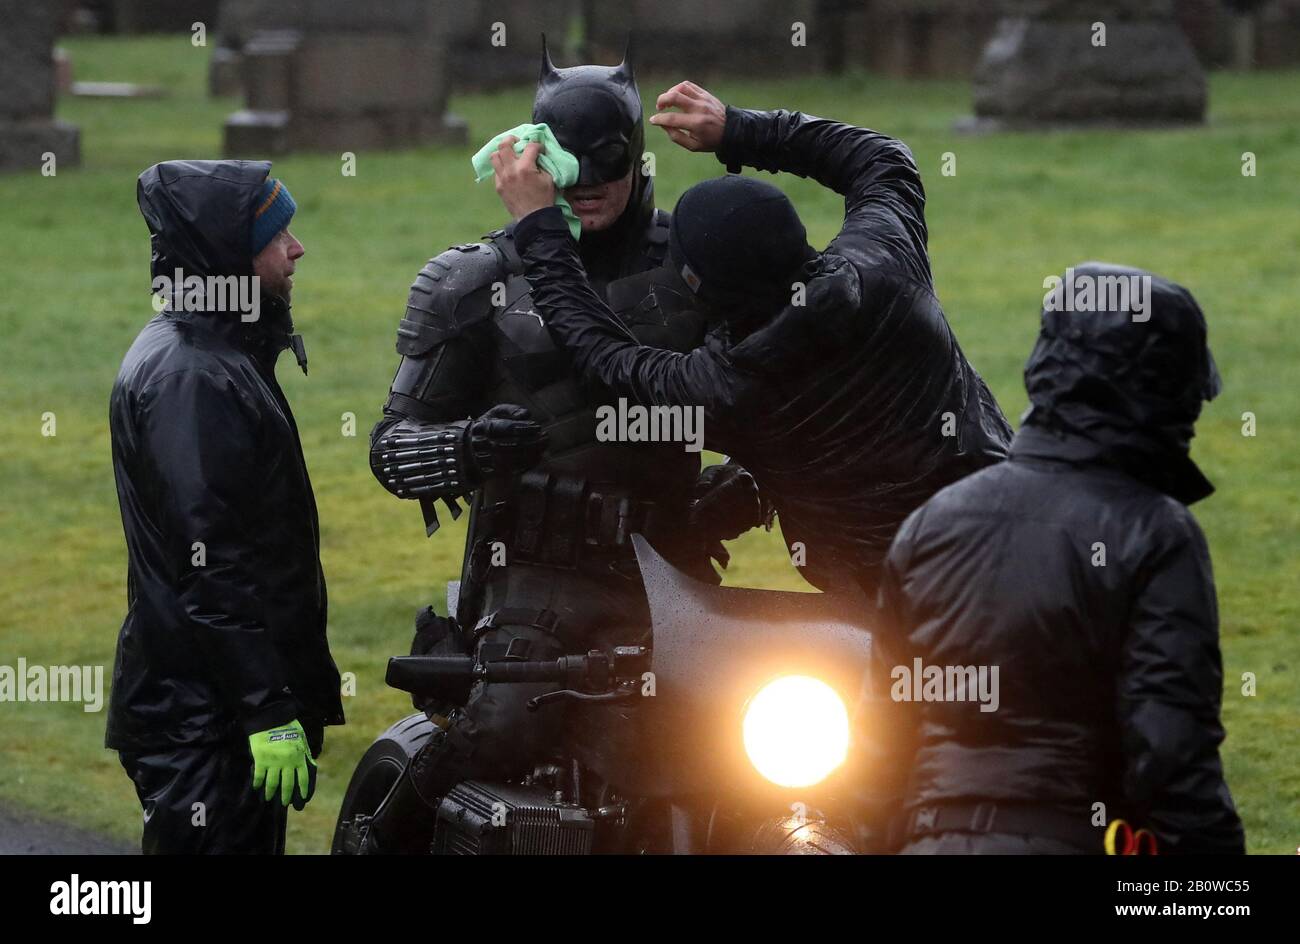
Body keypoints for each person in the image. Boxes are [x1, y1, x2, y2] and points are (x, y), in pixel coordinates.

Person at [354, 44, 761, 854]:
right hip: (529, 584)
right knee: (499, 730)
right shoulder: (473, 281)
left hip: (672, 582)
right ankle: (385, 837)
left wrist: (747, 486)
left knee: (759, 760)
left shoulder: (707, 265)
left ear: (638, 158)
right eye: (570, 167)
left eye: (607, 166)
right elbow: (391, 449)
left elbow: (788, 414)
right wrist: (468, 447)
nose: (589, 187)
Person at [492, 81, 1013, 598]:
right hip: (1012, 527)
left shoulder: (727, 386)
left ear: (700, 288)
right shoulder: (883, 262)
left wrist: (539, 225)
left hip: (901, 597)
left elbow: (599, 352)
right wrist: (737, 129)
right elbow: (881, 158)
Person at [880, 263, 1245, 855]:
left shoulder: (932, 523)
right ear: (1163, 388)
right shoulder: (1154, 532)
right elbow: (1171, 751)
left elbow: (882, 745)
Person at [106, 160, 343, 854]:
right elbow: (208, 564)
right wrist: (266, 711)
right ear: (226, 255)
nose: (296, 248)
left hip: (205, 712)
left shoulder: (214, 355)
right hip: (203, 724)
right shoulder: (194, 378)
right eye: (278, 234)